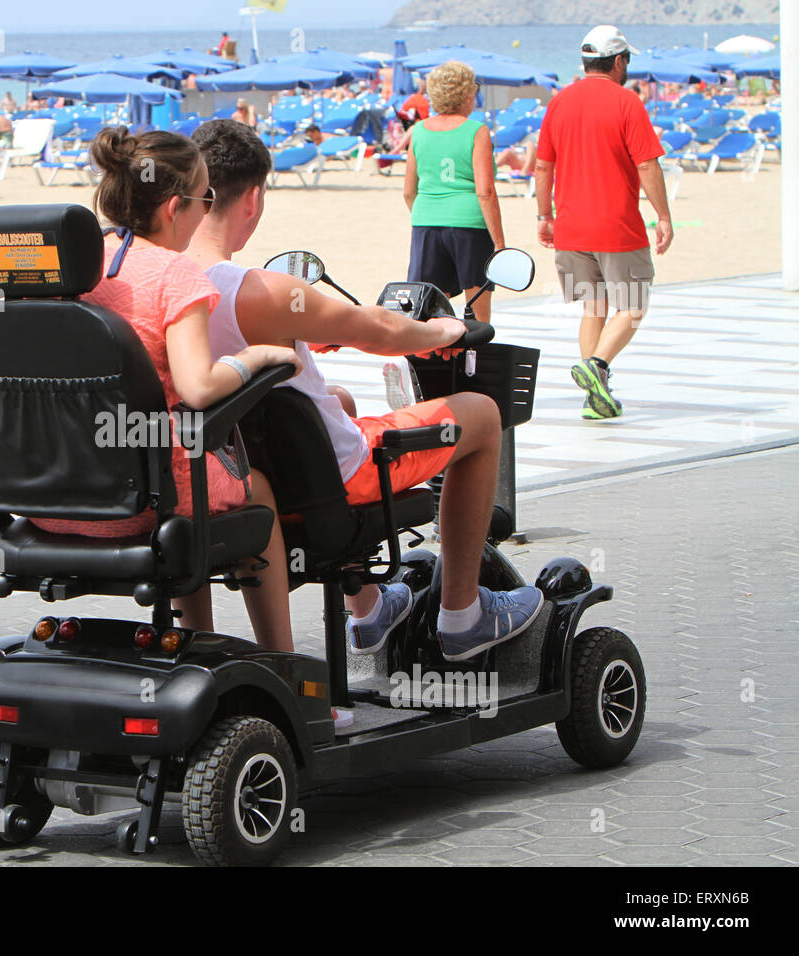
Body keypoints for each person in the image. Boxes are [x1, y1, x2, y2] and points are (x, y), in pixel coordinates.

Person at [189, 119, 545, 663]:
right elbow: (377, 329)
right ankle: (463, 615)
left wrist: (310, 340)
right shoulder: (263, 289)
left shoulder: (169, 282)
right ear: (254, 198)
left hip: (234, 467)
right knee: (481, 415)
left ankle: (370, 605)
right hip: (342, 473)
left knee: (339, 401)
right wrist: (440, 331)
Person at [29, 126, 302, 652]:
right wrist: (252, 357)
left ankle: (194, 642)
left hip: (52, 497)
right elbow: (199, 388)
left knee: (185, 477)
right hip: (144, 502)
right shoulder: (176, 274)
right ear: (176, 206)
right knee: (254, 490)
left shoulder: (74, 269)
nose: (204, 214)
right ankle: (282, 660)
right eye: (204, 201)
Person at [534, 25, 673, 421]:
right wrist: (662, 216)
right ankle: (597, 366)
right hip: (618, 226)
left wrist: (545, 216)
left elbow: (544, 165)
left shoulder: (559, 102)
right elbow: (647, 163)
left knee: (593, 308)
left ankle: (595, 397)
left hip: (571, 228)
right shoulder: (626, 102)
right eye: (627, 59)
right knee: (632, 307)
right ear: (618, 61)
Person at [403, 61, 505, 330]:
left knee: (429, 309)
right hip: (469, 223)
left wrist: (427, 213)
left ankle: (433, 365)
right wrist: (499, 243)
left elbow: (408, 190)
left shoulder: (419, 130)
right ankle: (476, 363)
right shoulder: (476, 130)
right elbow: (485, 192)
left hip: (426, 220)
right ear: (468, 95)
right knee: (478, 312)